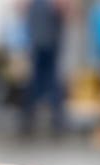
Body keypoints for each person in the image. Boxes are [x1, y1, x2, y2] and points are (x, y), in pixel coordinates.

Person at [20, 0, 68, 136]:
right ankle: (29, 118)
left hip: (51, 39)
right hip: (37, 40)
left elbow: (66, 10)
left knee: (51, 79)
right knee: (35, 79)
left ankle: (56, 120)